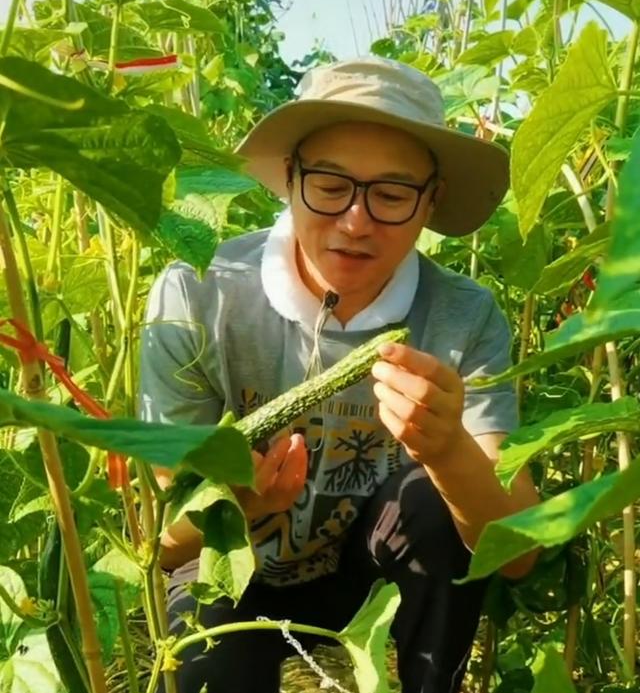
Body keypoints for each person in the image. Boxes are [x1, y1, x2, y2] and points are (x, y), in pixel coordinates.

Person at [139, 56, 539, 693]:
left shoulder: (464, 317)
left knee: (434, 501)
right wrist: (231, 505)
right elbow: (157, 545)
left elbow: (519, 555)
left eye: (392, 193)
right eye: (330, 184)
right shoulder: (199, 294)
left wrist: (448, 451)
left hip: (370, 577)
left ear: (431, 200)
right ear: (290, 178)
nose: (356, 221)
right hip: (226, 575)